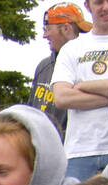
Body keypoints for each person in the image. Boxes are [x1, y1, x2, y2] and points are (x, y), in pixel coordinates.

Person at [52, 0, 108, 181]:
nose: (106, 7)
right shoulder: (71, 49)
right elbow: (61, 97)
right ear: (88, 6)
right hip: (78, 152)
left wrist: (83, 87)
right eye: (99, 2)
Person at [30, 3, 91, 137]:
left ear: (66, 29)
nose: (44, 35)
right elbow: (31, 110)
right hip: (40, 148)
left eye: (47, 29)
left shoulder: (85, 65)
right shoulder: (43, 66)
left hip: (72, 148)